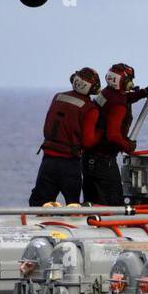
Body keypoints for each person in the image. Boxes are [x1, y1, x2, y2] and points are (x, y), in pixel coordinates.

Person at [84, 63, 148, 205]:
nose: (131, 83)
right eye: (130, 80)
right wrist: (128, 145)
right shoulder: (118, 104)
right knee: (113, 204)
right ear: (123, 81)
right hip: (104, 163)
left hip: (89, 160)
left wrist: (145, 92)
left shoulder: (106, 93)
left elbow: (124, 98)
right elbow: (113, 135)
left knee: (92, 203)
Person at [29, 68, 101, 206]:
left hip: (48, 161)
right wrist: (101, 132)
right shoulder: (90, 109)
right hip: (69, 163)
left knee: (40, 205)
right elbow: (88, 142)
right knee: (72, 206)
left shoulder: (58, 97)